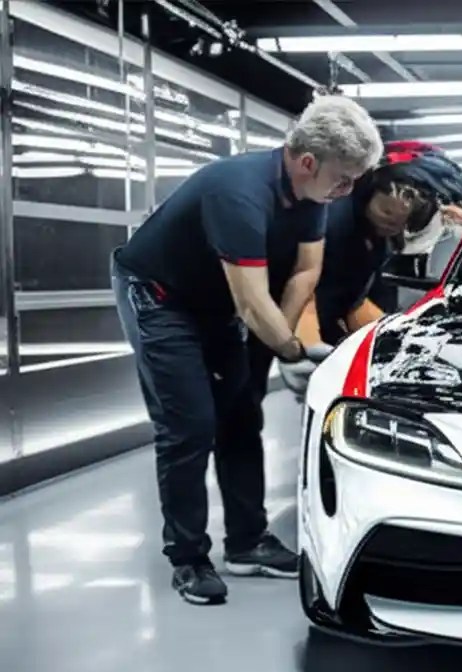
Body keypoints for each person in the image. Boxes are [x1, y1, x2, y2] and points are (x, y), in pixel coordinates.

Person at [109, 94, 383, 605]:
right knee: (190, 424)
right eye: (345, 178)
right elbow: (253, 301)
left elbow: (305, 271)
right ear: (308, 162)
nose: (349, 190)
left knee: (240, 414)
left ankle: (247, 541)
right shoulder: (237, 192)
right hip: (159, 296)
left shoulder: (312, 196)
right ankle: (188, 557)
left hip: (218, 305)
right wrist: (291, 349)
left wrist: (288, 344)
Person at [289, 140, 462, 348]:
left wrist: (397, 339)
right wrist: (302, 345)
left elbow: (353, 302)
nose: (395, 217)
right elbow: (301, 286)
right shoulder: (332, 218)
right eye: (387, 211)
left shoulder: (375, 241)